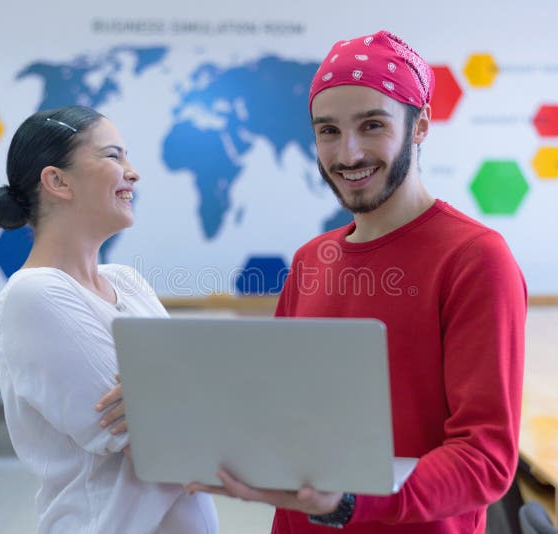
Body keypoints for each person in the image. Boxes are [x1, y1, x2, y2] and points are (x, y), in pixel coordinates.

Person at [98, 30, 527, 533]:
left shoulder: (475, 259)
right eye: (327, 131)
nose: (347, 154)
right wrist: (176, 399)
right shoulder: (311, 260)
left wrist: (349, 503)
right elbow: (277, 405)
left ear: (420, 126)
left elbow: (485, 458)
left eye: (372, 125)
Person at [0, 105, 218, 534]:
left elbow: (186, 401)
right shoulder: (33, 296)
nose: (132, 173)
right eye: (113, 157)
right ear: (57, 180)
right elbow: (157, 439)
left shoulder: (126, 283)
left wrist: (179, 391)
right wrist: (187, 390)